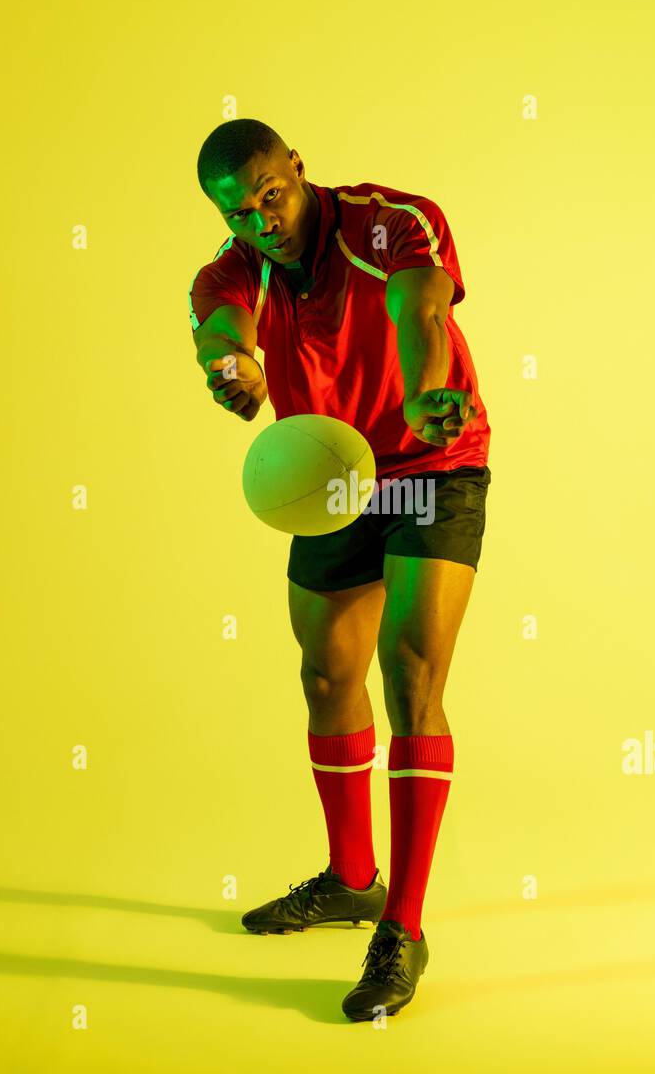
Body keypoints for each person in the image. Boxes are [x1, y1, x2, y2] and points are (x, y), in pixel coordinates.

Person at [189, 118, 492, 1020]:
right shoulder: (232, 265)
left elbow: (420, 308)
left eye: (270, 196)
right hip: (333, 475)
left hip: (431, 465)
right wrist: (226, 368)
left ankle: (401, 925)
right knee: (326, 675)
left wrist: (425, 391)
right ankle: (353, 879)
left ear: (298, 170)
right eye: (239, 213)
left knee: (408, 676)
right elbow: (218, 325)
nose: (261, 221)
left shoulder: (391, 221)